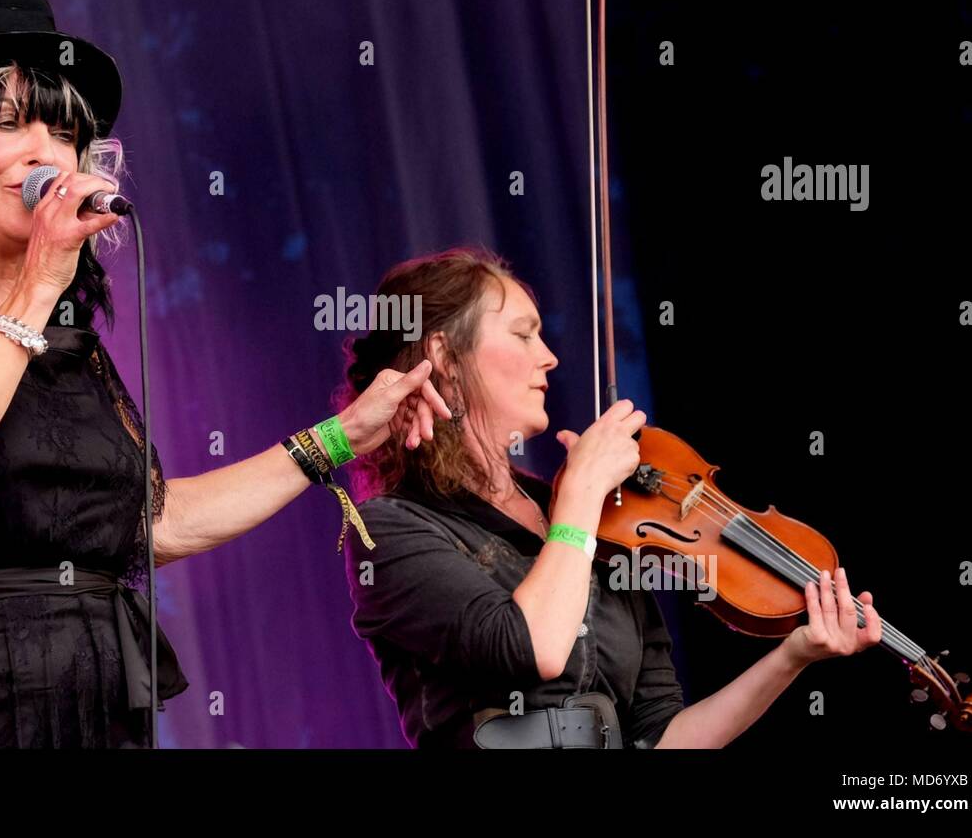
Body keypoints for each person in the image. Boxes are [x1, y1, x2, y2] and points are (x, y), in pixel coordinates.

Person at [0, 0, 450, 748]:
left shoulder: (69, 347)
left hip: (94, 696)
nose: (47, 151)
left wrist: (340, 436)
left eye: (63, 131)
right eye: (8, 124)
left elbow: (151, 522)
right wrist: (38, 287)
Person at [338, 247, 882, 748]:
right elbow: (533, 648)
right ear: (445, 355)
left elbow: (662, 735)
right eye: (524, 335)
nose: (549, 357)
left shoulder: (602, 524)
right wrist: (579, 495)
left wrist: (792, 655)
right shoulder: (389, 530)